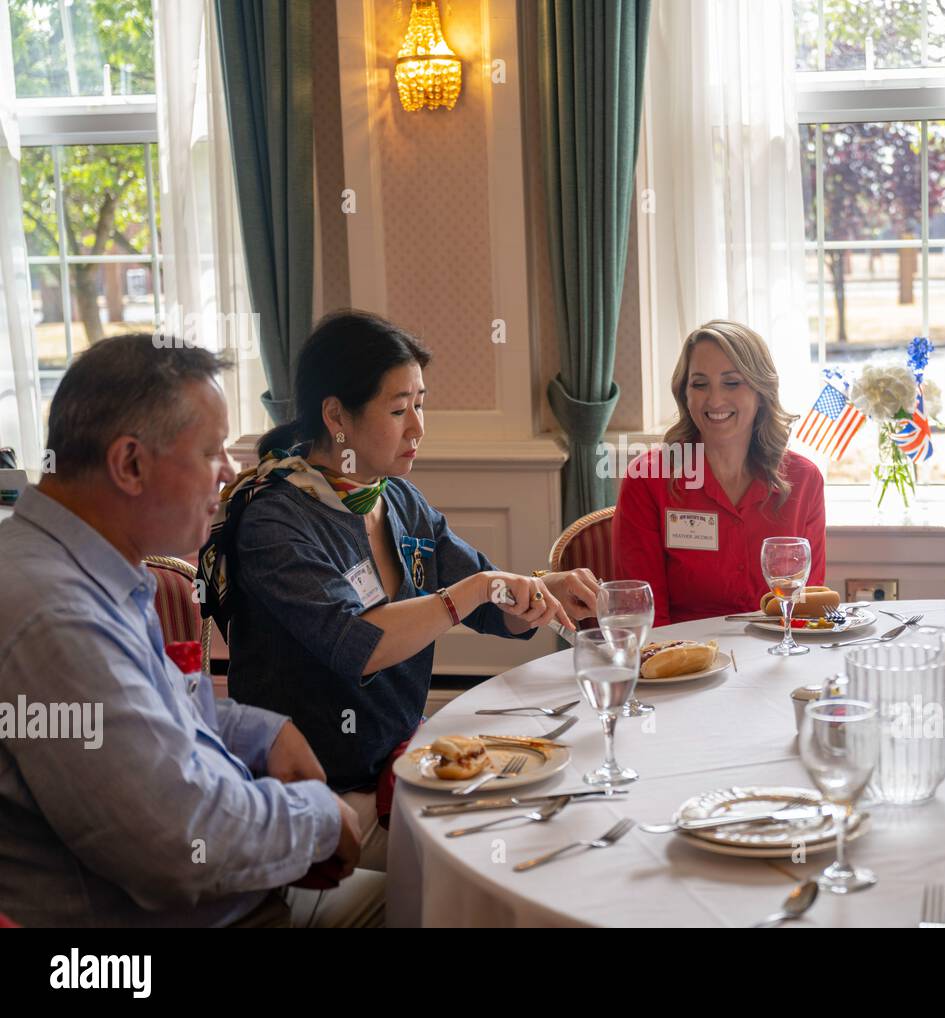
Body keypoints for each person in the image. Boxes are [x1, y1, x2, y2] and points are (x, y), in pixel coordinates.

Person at [0, 334, 378, 927]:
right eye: (212, 452)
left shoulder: (78, 561)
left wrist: (262, 731)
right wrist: (320, 818)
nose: (230, 473)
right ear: (130, 464)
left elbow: (144, 709)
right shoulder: (56, 616)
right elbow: (180, 842)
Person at [201, 311, 598, 869]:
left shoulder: (395, 498)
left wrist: (536, 588)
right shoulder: (276, 521)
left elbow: (489, 610)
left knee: (557, 812)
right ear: (336, 415)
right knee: (509, 857)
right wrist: (475, 590)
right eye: (397, 409)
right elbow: (360, 643)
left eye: (420, 404)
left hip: (405, 764)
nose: (418, 427)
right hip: (321, 796)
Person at [612, 320, 827, 625]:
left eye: (732, 382)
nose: (714, 400)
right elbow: (642, 614)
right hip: (680, 661)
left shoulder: (804, 480)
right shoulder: (648, 479)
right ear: (684, 394)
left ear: (760, 391)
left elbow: (805, 609)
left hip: (776, 658)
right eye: (699, 384)